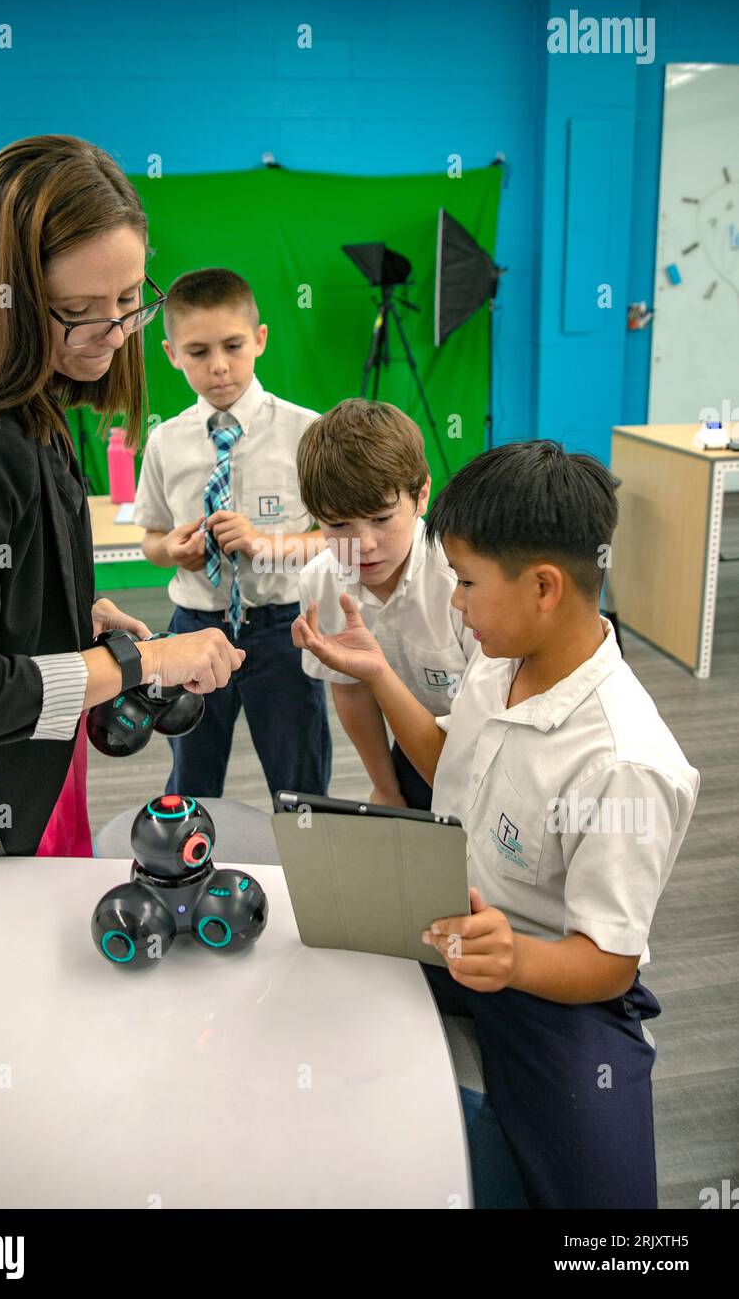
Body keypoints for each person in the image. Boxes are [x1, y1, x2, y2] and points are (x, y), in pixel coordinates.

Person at [292, 440, 699, 1209]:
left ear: (544, 587)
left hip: (550, 987)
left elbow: (608, 961)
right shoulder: (502, 655)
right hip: (449, 924)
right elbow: (452, 757)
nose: (456, 603)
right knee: (303, 985)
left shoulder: (625, 761)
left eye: (469, 583)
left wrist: (514, 962)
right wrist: (378, 676)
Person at [0, 135, 243, 857]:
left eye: (130, 300)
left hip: (32, 772)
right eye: (77, 309)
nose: (110, 333)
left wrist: (73, 614)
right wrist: (149, 664)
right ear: (0, 298)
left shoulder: (31, 401)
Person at [134, 267, 331, 799]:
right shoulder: (165, 442)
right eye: (197, 352)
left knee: (300, 783)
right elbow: (151, 539)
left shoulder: (306, 431)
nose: (219, 366)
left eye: (233, 345)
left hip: (283, 629)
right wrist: (171, 550)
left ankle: (309, 879)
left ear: (260, 340)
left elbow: (336, 538)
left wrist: (268, 546)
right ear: (172, 353)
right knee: (191, 781)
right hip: (194, 626)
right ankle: (188, 875)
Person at [296, 399, 474, 810]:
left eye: (381, 518)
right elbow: (352, 692)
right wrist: (385, 787)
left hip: (487, 745)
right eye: (338, 525)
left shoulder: (462, 578)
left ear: (421, 494)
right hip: (413, 741)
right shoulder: (319, 581)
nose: (364, 545)